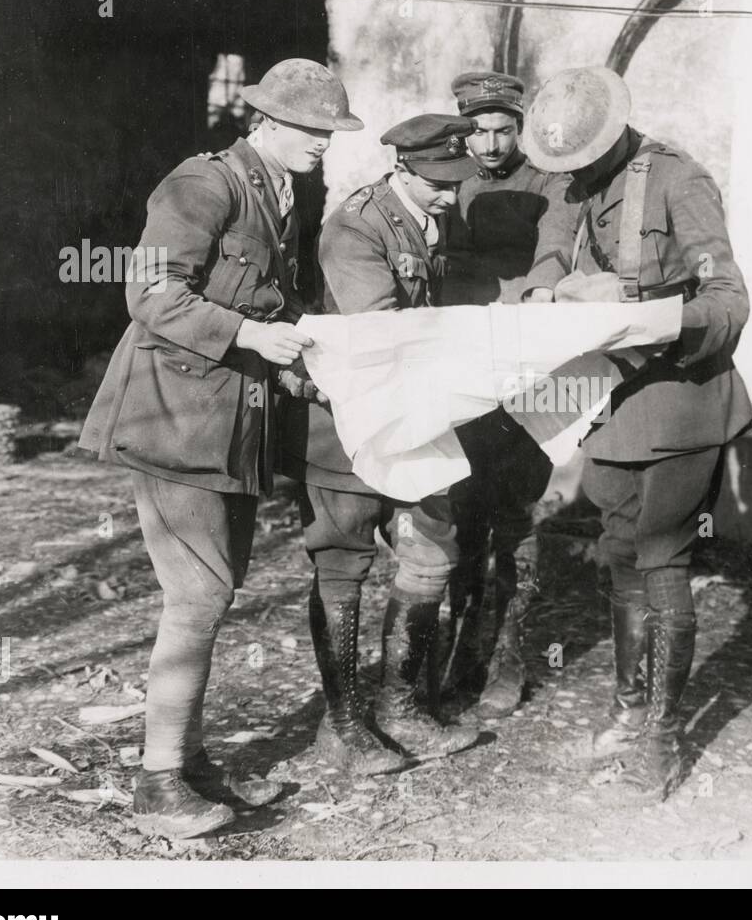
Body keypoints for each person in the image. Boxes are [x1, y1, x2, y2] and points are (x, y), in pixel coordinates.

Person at [79, 58, 362, 839]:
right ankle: (159, 782)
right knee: (197, 595)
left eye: (330, 133)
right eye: (309, 131)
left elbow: (276, 293)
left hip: (229, 423)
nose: (321, 146)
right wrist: (246, 333)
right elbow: (152, 291)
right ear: (265, 121)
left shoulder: (283, 188)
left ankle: (190, 764)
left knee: (216, 588)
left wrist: (307, 357)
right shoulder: (202, 184)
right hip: (174, 417)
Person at [521, 67, 752, 802]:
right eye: (565, 166)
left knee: (663, 563)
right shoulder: (573, 184)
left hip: (681, 398)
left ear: (616, 133)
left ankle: (660, 736)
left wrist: (647, 313)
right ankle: (628, 709)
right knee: (620, 555)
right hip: (611, 404)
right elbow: (549, 258)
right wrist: (551, 291)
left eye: (584, 159)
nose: (575, 175)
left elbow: (728, 301)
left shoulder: (680, 181)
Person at [277, 113, 483, 773]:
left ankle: (402, 709)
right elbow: (382, 334)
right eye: (438, 183)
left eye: (457, 180)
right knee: (343, 556)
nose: (452, 193)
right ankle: (341, 727)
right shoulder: (355, 225)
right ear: (402, 170)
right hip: (349, 412)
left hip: (415, 405)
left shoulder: (431, 214)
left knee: (433, 543)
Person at [436, 70, 580, 718]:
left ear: (521, 129)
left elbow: (556, 249)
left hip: (527, 359)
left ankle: (510, 659)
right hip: (462, 363)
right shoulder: (448, 178)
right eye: (479, 132)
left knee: (517, 516)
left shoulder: (551, 182)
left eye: (503, 131)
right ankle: (461, 652)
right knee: (462, 510)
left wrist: (542, 290)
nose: (491, 145)